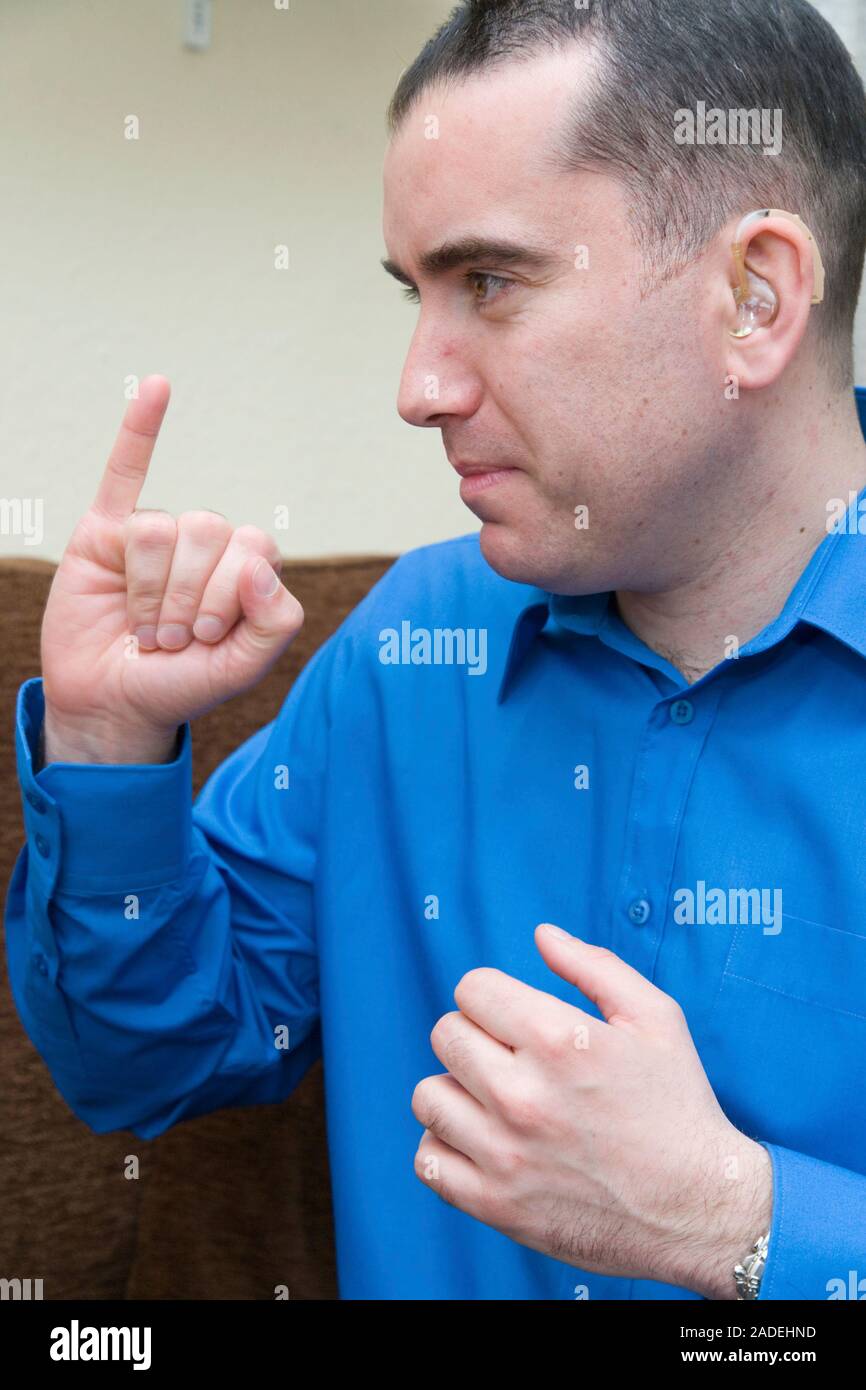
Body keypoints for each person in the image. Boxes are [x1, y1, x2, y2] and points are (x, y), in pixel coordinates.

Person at [6, 0, 866, 1301]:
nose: (417, 388)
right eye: (418, 294)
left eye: (491, 283)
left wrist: (742, 1225)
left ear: (753, 297)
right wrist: (107, 749)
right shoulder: (410, 647)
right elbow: (145, 1067)